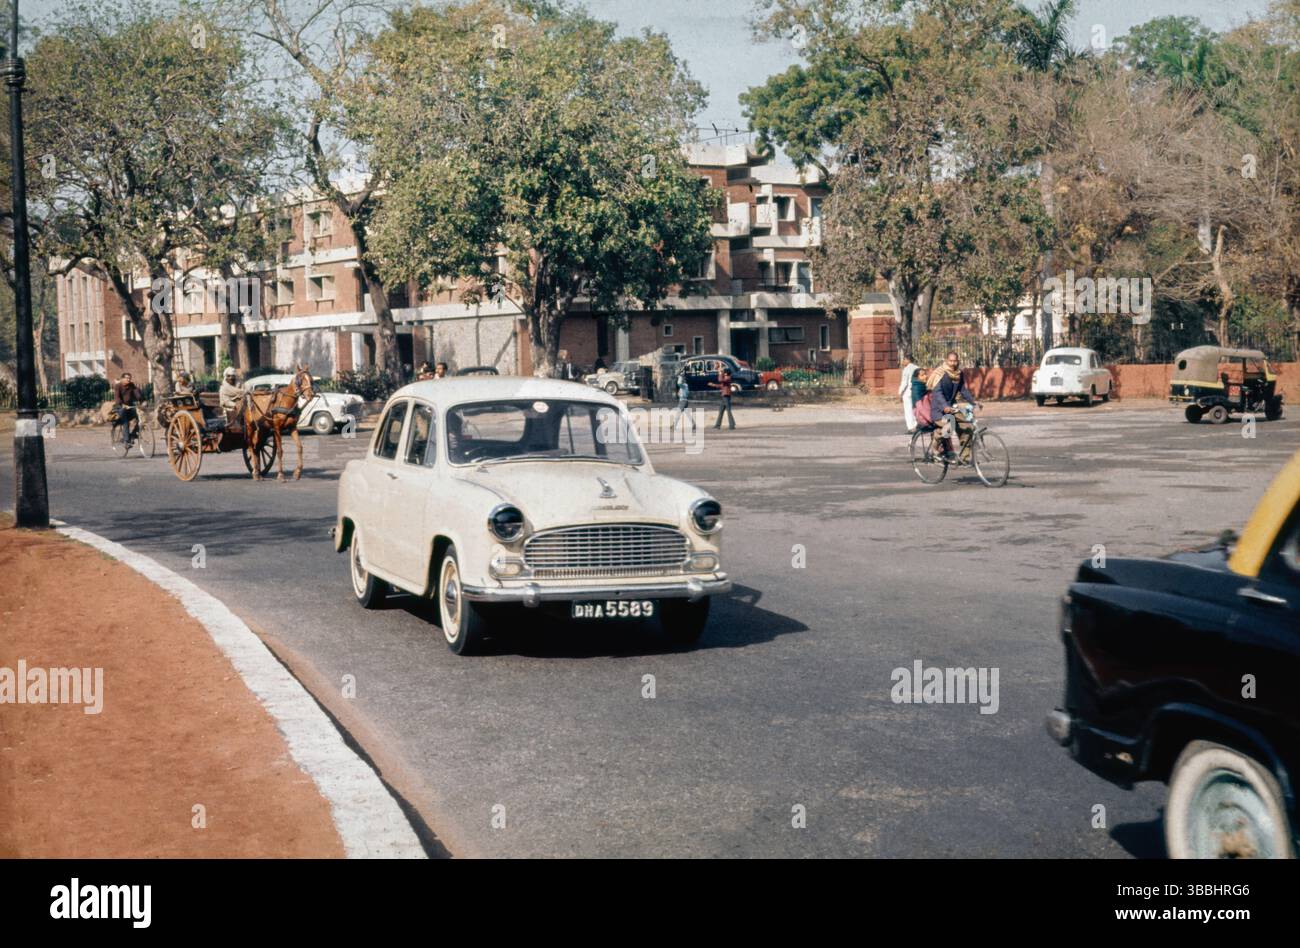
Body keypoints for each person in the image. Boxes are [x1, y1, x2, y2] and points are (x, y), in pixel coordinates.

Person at [927, 350, 981, 462]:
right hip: (939, 409)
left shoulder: (959, 373)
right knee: (949, 425)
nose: (953, 363)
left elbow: (963, 390)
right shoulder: (940, 373)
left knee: (967, 427)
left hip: (951, 408)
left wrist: (973, 402)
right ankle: (935, 447)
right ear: (946, 361)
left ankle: (964, 458)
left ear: (958, 361)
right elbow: (937, 393)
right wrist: (944, 406)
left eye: (955, 361)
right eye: (950, 361)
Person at [111, 372, 141, 445]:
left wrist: (141, 399)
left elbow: (137, 394)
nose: (128, 379)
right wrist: (122, 404)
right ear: (122, 379)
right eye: (127, 378)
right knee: (125, 422)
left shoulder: (131, 385)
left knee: (140, 419)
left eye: (130, 378)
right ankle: (126, 441)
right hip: (120, 407)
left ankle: (133, 434)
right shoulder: (118, 386)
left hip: (130, 407)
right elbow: (117, 397)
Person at [898, 355, 921, 433]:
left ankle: (910, 427)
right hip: (916, 391)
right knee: (915, 409)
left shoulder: (906, 369)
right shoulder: (917, 368)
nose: (903, 361)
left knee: (908, 410)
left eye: (904, 359)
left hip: (907, 392)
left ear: (908, 360)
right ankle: (916, 425)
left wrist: (900, 392)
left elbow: (904, 382)